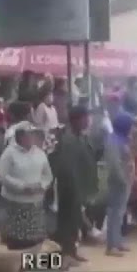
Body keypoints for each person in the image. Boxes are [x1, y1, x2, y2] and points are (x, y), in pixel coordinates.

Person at [50, 106, 97, 263]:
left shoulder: (81, 137)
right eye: (85, 118)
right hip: (69, 188)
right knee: (68, 221)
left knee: (75, 221)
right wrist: (75, 190)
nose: (88, 121)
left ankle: (72, 250)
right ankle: (66, 253)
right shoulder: (68, 140)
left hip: (80, 187)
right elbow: (67, 168)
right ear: (76, 120)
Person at [0, 122, 53, 250]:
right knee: (17, 240)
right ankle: (18, 264)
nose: (32, 138)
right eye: (29, 135)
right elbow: (2, 175)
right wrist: (22, 187)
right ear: (20, 137)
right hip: (16, 203)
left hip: (35, 202)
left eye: (33, 135)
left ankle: (32, 263)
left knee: (35, 239)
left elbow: (47, 175)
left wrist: (42, 186)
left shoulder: (40, 153)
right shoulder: (9, 153)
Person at [103, 111, 135, 256]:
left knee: (120, 212)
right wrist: (122, 179)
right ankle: (111, 246)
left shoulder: (122, 139)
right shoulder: (113, 141)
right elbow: (115, 164)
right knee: (114, 213)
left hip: (125, 180)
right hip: (118, 181)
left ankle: (118, 241)